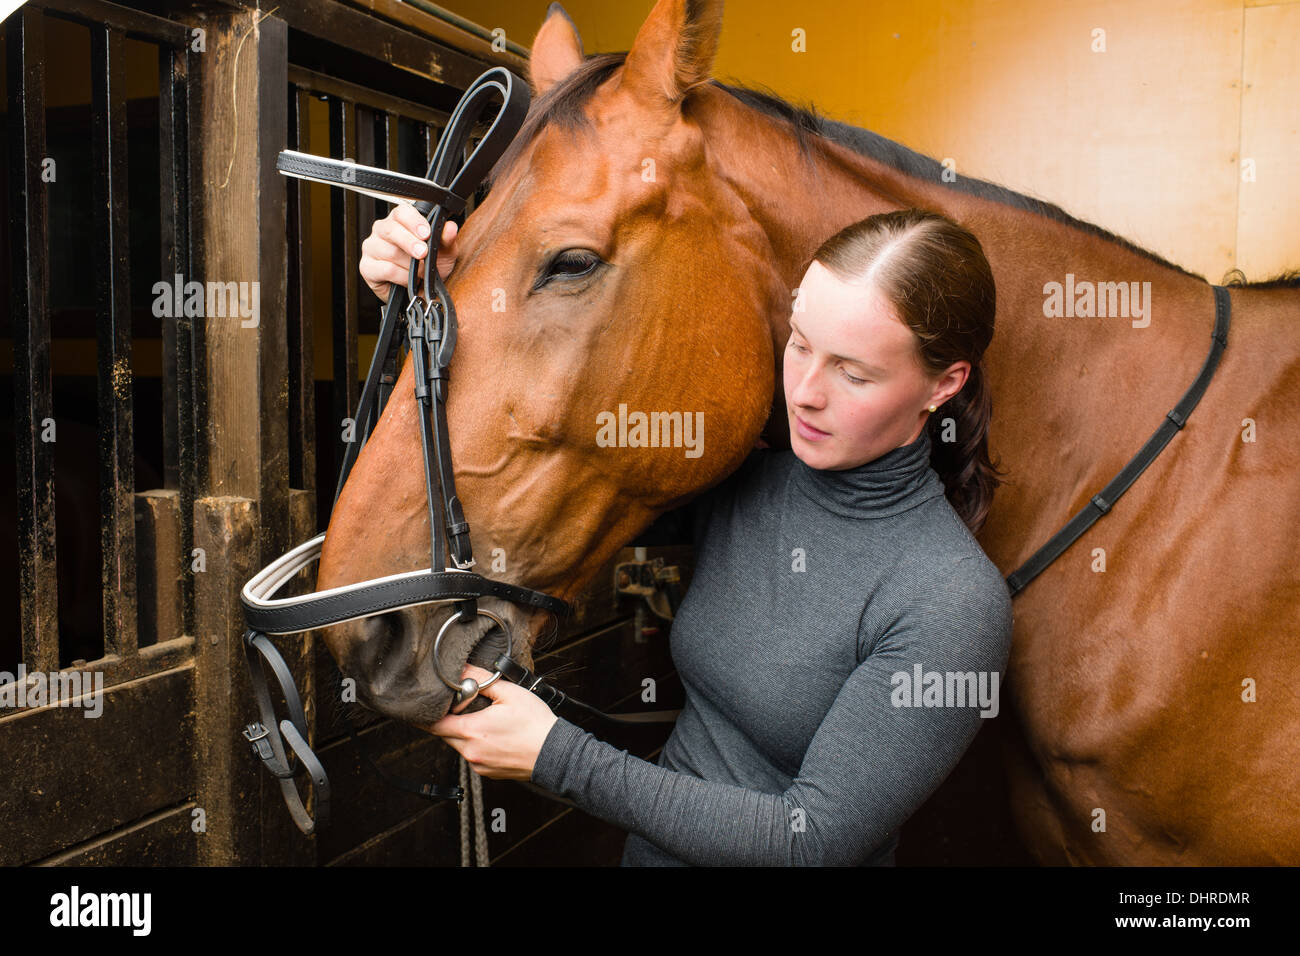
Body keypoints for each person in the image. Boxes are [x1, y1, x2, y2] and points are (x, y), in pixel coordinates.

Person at [360, 205, 1013, 866]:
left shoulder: (951, 600)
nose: (806, 392)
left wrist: (558, 757)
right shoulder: (749, 476)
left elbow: (812, 838)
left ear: (944, 383)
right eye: (800, 344)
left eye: (853, 372)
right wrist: (433, 310)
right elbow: (538, 463)